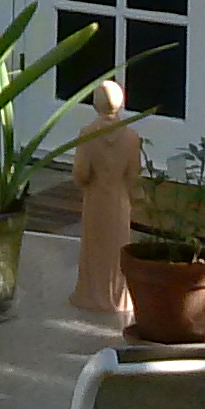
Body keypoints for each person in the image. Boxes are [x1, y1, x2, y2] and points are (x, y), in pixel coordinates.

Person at [70, 79, 143, 316]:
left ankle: (90, 294)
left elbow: (81, 174)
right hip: (119, 202)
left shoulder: (87, 134)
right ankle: (118, 297)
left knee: (94, 248)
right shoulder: (131, 137)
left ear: (95, 103)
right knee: (117, 247)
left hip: (95, 200)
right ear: (121, 103)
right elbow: (134, 176)